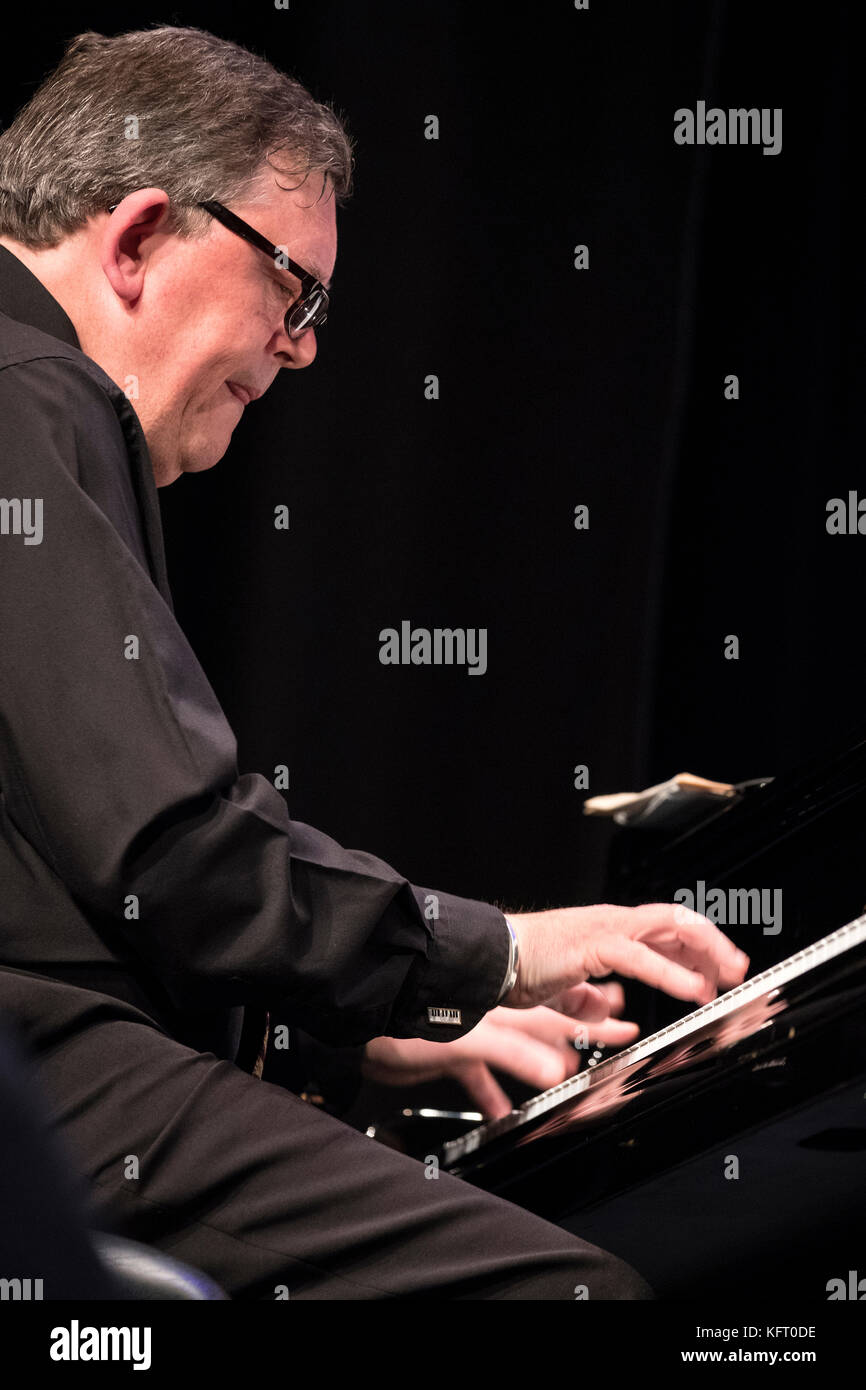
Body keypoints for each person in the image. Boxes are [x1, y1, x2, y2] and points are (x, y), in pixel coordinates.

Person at [0, 25, 749, 1299]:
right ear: (135, 237)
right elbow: (172, 855)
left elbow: (67, 890)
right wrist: (498, 950)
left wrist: (350, 1047)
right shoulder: (29, 392)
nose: (300, 349)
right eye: (294, 291)